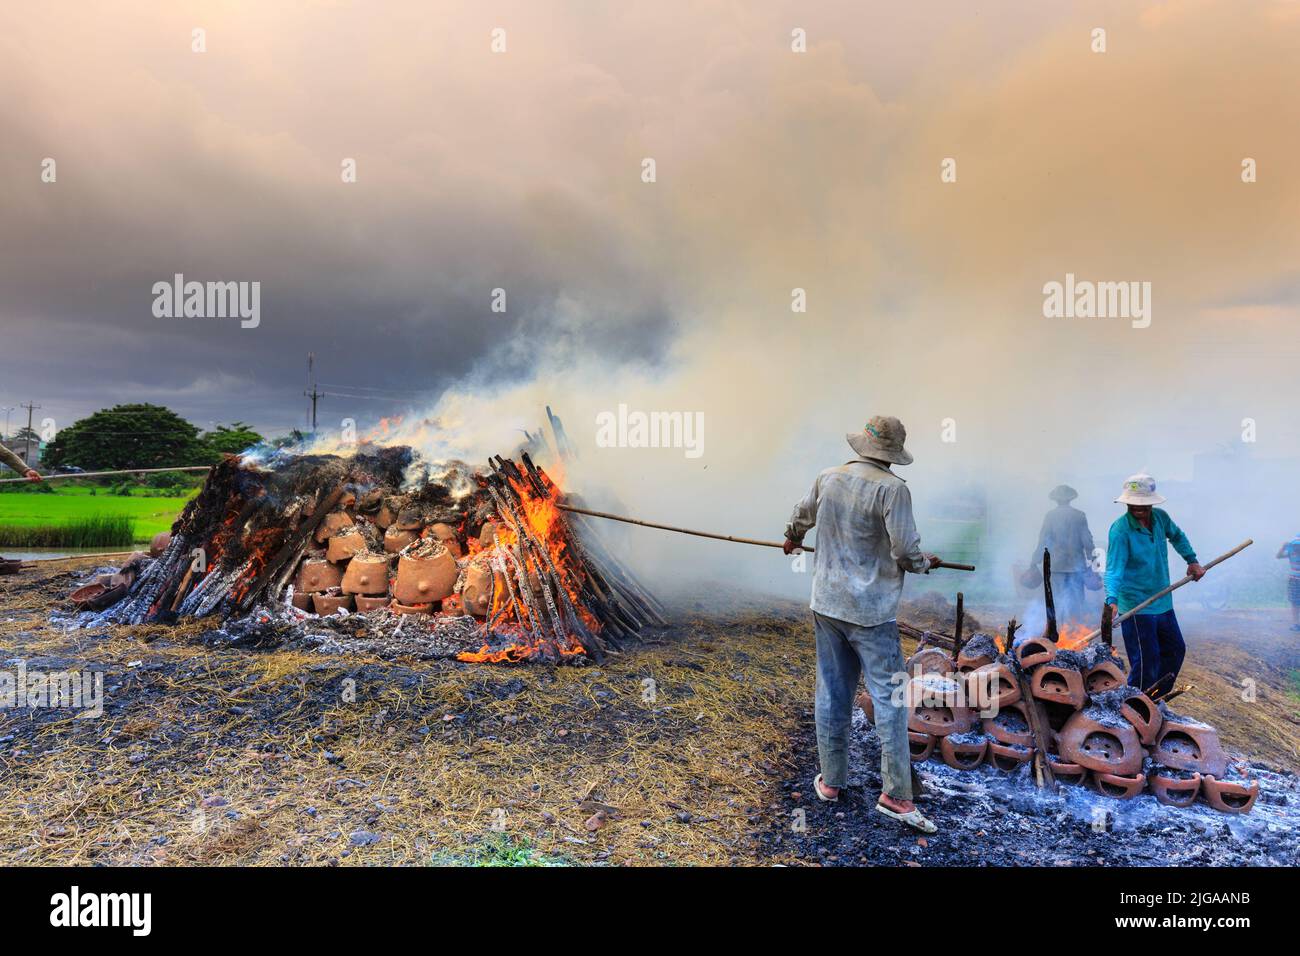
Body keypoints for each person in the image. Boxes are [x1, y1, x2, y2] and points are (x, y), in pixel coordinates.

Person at [783, 415, 941, 834]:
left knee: (832, 691)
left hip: (827, 604)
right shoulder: (893, 490)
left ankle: (832, 782)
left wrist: (792, 536)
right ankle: (896, 795)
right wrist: (924, 563)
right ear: (893, 455)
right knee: (889, 700)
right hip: (871, 613)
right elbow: (905, 550)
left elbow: (801, 516)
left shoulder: (828, 477)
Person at [1104, 473, 1205, 698]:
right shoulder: (1121, 530)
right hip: (1136, 606)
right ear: (1127, 502)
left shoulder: (1161, 518)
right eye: (1133, 504)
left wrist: (1192, 561)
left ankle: (1154, 699)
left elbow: (1177, 536)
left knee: (1175, 650)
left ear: (1151, 502)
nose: (1138, 508)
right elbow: (1113, 569)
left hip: (1162, 600)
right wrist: (1111, 600)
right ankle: (1133, 706)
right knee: (1146, 661)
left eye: (1143, 504)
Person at [1031, 484, 1095, 626]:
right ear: (1071, 499)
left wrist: (1034, 560)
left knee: (1057, 599)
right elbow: (1087, 539)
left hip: (1056, 566)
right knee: (1077, 599)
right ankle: (1075, 628)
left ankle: (1058, 628)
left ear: (1056, 499)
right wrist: (1093, 558)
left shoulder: (1050, 516)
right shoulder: (1079, 515)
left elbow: (1043, 540)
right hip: (1076, 566)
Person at [1276, 534, 1300, 631]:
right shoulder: (1291, 552)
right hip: (1294, 580)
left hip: (1294, 580)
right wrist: (1283, 547)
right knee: (1294, 602)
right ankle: (1296, 624)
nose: (1298, 547)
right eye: (1296, 545)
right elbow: (1278, 556)